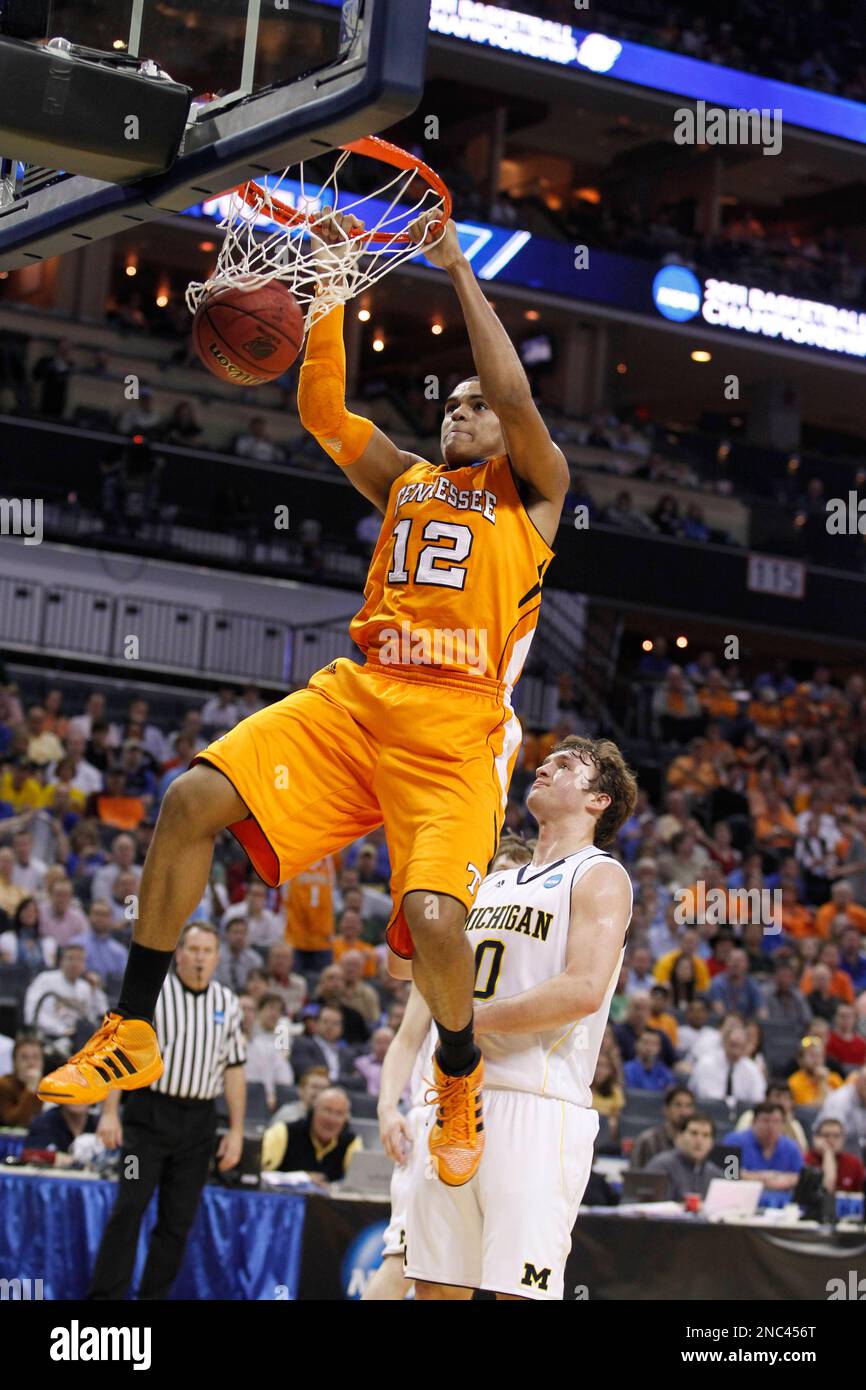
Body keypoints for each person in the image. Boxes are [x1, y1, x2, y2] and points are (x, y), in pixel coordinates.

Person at [41, 210, 569, 1192]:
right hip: (356, 699)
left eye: (474, 404)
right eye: (448, 402)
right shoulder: (409, 481)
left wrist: (454, 267)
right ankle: (131, 1025)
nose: (461, 409)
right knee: (189, 800)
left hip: (454, 732)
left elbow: (510, 389)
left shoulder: (533, 495)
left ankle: (455, 1074)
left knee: (436, 921)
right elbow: (324, 413)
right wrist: (329, 287)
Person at [403, 734, 636, 1300]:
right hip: (459, 1093)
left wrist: (469, 1022)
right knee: (434, 1289)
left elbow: (583, 989)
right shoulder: (491, 878)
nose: (544, 767)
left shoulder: (599, 876)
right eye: (546, 760)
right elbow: (403, 963)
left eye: (565, 765)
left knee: (519, 1295)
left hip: (538, 1107)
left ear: (598, 799)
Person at [87, 923, 245, 1300]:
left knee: (178, 1222)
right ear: (179, 953)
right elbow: (118, 1052)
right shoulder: (154, 995)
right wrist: (110, 1111)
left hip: (199, 1123)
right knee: (129, 1208)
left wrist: (236, 1131)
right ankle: (105, 1297)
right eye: (193, 949)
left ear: (217, 957)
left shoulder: (228, 1003)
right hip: (147, 1117)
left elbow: (235, 1069)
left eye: (208, 951)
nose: (200, 957)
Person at [362, 983, 436, 1301]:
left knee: (457, 1277)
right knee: (402, 1258)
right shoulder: (441, 950)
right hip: (439, 1115)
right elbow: (406, 1037)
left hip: (511, 1111)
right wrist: (387, 1107)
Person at [261, 1085, 360, 1180]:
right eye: (327, 1110)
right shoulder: (283, 1132)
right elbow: (255, 1171)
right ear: (312, 1111)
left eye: (339, 1114)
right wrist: (303, 1178)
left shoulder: (351, 1141)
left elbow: (361, 1182)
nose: (331, 1119)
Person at [23, 943, 108, 1046]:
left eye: (80, 960)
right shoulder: (45, 979)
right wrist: (62, 1030)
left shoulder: (85, 987)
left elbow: (101, 1015)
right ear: (61, 961)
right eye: (70, 958)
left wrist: (96, 990)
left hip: (79, 1038)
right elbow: (32, 1014)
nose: (75, 964)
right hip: (51, 1037)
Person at [722, 1102, 804, 1207]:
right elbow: (728, 1175)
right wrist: (764, 1178)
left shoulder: (791, 1146)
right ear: (753, 1122)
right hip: (741, 1201)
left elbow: (800, 1178)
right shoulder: (733, 1141)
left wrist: (748, 1176)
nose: (771, 1127)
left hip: (781, 1204)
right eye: (765, 1121)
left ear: (783, 1124)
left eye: (776, 1122)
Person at [644, 1113, 723, 1201]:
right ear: (679, 1137)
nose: (699, 1140)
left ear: (712, 1143)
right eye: (694, 1133)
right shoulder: (661, 1166)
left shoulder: (716, 1176)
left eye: (705, 1135)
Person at [290, 1003, 366, 1090]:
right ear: (316, 1024)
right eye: (325, 1021)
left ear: (341, 1028)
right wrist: (342, 1078)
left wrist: (329, 1076)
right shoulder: (302, 1044)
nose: (329, 1027)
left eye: (335, 1023)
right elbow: (307, 1073)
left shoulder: (348, 1054)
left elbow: (359, 1082)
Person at [690, 1022, 766, 1105]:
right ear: (724, 1042)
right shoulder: (706, 1063)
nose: (736, 1050)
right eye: (733, 1045)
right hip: (709, 1111)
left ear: (746, 1046)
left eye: (740, 1046)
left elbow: (758, 1098)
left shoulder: (751, 1069)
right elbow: (702, 1094)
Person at [244, 992, 294, 1110]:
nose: (274, 1014)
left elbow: (283, 1058)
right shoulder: (251, 1027)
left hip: (273, 1076)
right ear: (259, 1011)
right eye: (270, 1009)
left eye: (278, 1011)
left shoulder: (282, 1030)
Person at [629, 1085, 695, 1169]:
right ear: (666, 1109)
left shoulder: (697, 1144)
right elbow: (634, 1175)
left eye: (688, 1106)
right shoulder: (648, 1140)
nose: (684, 1112)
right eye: (678, 1105)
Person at [804, 1115, 866, 1196]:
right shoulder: (807, 1159)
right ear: (817, 1138)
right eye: (826, 1135)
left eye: (836, 1136)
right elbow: (826, 1189)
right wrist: (828, 1153)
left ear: (843, 1139)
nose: (831, 1140)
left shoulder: (854, 1163)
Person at [0, 1034, 45, 1127]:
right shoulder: (3, 1084)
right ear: (15, 1062)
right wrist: (30, 1089)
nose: (31, 1063)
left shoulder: (49, 1086)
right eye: (24, 1057)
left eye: (36, 1057)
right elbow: (15, 1124)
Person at [816, 1070, 866, 1152]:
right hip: (833, 1148)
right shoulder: (840, 1099)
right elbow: (831, 1134)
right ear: (860, 1082)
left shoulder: (863, 1098)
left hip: (857, 1147)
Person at [787, 1036, 843, 1106]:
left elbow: (843, 1104)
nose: (816, 1059)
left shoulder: (834, 1078)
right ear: (800, 1060)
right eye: (812, 1055)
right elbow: (812, 1110)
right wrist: (822, 1081)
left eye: (819, 1055)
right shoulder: (795, 1082)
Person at [213, 918, 263, 993]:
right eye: (236, 932)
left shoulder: (254, 959)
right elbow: (212, 983)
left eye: (243, 933)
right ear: (226, 934)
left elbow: (259, 984)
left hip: (247, 999)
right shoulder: (215, 957)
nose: (239, 937)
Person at [355, 1027, 394, 1096]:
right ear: (372, 1043)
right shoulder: (361, 1063)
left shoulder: (403, 1066)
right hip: (371, 1101)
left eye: (387, 1042)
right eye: (379, 1042)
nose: (382, 1046)